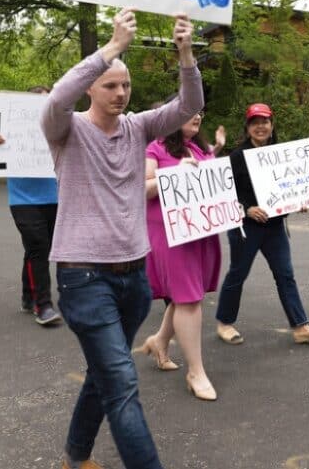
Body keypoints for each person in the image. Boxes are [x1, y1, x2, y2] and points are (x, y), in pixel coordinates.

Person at [41, 8, 203, 469]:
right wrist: (112, 49)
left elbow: (189, 106)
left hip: (134, 277)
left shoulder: (138, 127)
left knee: (104, 374)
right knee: (122, 384)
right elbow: (56, 99)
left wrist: (186, 53)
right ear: (91, 86)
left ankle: (76, 454)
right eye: (110, 84)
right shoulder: (66, 129)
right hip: (83, 278)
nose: (120, 93)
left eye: (125, 85)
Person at [214, 103, 309, 346]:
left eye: (264, 121)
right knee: (238, 273)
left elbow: (289, 189)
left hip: (275, 227)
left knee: (285, 274)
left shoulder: (281, 155)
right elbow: (224, 193)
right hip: (246, 228)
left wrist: (299, 201)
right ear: (247, 127)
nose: (260, 126)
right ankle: (224, 323)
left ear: (272, 125)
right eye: (255, 122)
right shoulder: (237, 156)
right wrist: (247, 208)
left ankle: (301, 327)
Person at [138, 111, 226, 402]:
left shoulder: (200, 149)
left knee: (187, 295)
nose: (198, 115)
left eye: (200, 111)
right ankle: (196, 372)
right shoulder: (155, 148)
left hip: (198, 231)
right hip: (169, 234)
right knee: (189, 299)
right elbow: (142, 188)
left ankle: (160, 340)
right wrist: (174, 174)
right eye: (189, 111)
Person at [0, 85, 61, 327]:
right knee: (38, 247)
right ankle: (44, 305)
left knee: (39, 249)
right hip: (23, 200)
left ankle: (28, 296)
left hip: (55, 198)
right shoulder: (11, 127)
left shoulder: (57, 129)